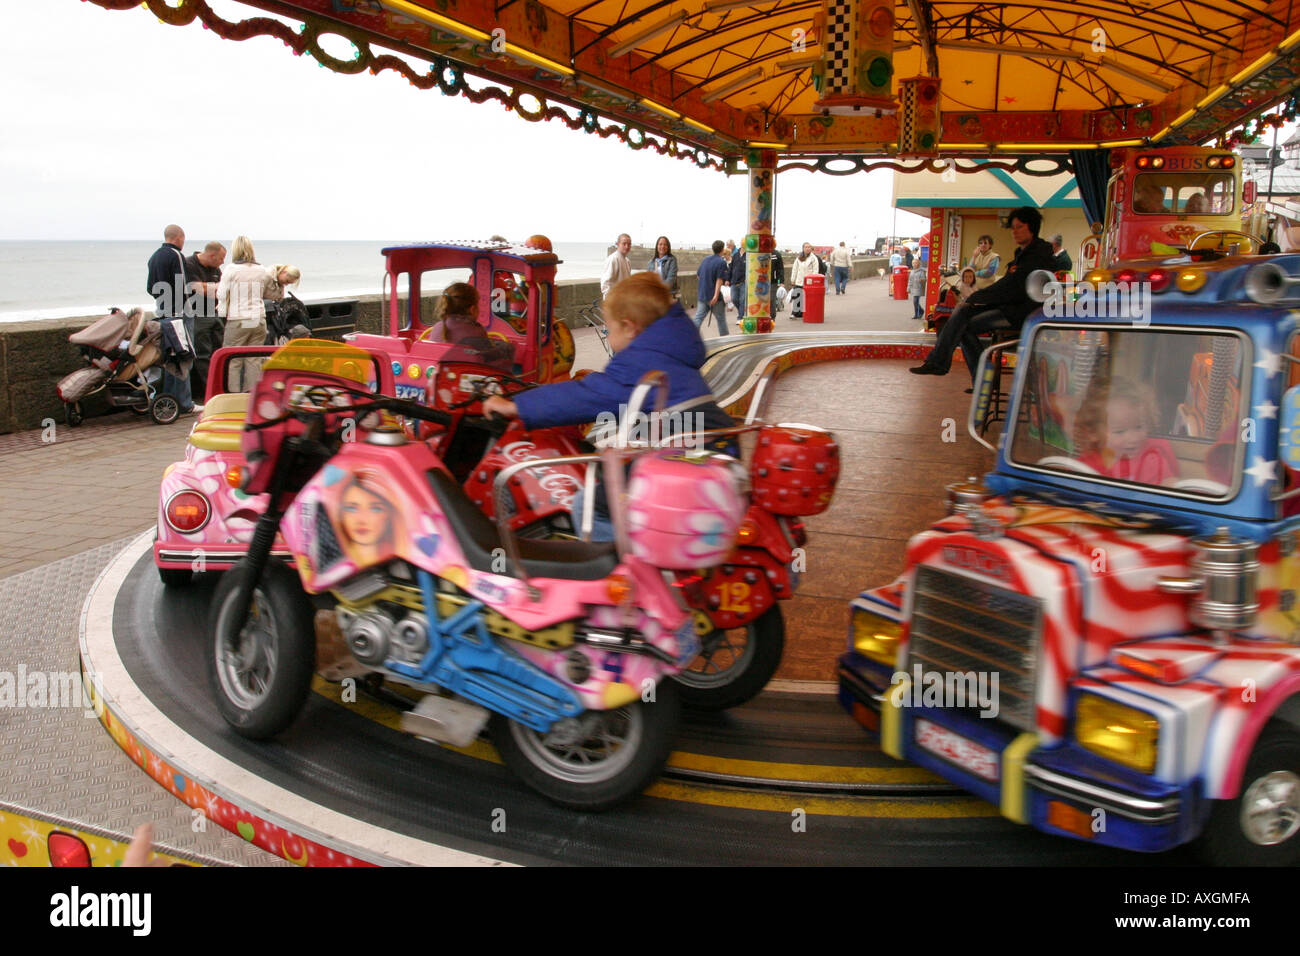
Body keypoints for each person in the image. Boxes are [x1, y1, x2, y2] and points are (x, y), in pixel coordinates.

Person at [482, 272, 733, 540]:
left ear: (629, 327)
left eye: (609, 329)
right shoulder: (672, 352)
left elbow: (585, 397)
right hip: (716, 451)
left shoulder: (639, 363)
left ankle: (627, 575)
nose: (608, 334)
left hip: (685, 462)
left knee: (587, 506)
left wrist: (516, 406)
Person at [909, 205, 1056, 384]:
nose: (1014, 232)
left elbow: (1012, 287)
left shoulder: (1037, 255)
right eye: (1013, 228)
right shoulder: (1022, 254)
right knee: (963, 313)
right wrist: (976, 299)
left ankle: (973, 375)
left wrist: (978, 298)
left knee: (963, 321)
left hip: (1023, 313)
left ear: (1032, 227)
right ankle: (975, 376)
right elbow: (1005, 285)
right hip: (1009, 305)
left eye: (1019, 227)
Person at [1073, 377, 1178, 485]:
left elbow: (1170, 485)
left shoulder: (1151, 458)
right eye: (1120, 431)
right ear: (1093, 433)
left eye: (1139, 427)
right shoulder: (1085, 465)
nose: (1134, 438)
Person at [146, 224, 197, 414]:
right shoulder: (175, 255)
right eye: (183, 239)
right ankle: (185, 402)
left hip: (163, 312)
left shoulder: (154, 257)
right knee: (184, 356)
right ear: (179, 237)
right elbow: (182, 284)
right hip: (179, 313)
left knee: (169, 357)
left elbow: (150, 287)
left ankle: (171, 398)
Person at [217, 236, 271, 392]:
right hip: (258, 318)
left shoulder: (231, 269)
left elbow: (221, 294)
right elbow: (265, 291)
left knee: (233, 359)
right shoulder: (261, 270)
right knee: (253, 359)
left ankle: (232, 395)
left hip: (238, 319)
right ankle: (251, 394)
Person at [421, 281, 514, 369]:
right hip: (467, 379)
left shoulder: (437, 327)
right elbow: (488, 356)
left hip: (441, 378)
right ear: (472, 309)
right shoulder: (477, 331)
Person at [184, 241, 226, 399]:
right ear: (212, 255)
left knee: (219, 351)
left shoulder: (216, 269)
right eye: (221, 258)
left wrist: (211, 289)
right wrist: (214, 288)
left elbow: (222, 291)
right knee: (203, 354)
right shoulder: (189, 264)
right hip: (197, 314)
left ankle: (220, 386)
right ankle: (210, 390)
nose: (222, 262)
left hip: (214, 312)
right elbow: (197, 289)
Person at [337, 470, 401, 566]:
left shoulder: (400, 555)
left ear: (389, 515)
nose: (361, 520)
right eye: (352, 509)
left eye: (375, 509)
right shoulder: (334, 566)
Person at [692, 240, 730, 337]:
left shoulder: (706, 260)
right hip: (713, 297)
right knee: (721, 320)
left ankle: (690, 337)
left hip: (702, 295)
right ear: (722, 249)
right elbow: (719, 280)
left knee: (698, 318)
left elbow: (698, 276)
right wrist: (716, 295)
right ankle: (725, 341)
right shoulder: (721, 262)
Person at [789, 243, 821, 320]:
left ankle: (805, 313)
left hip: (809, 281)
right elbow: (795, 269)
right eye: (806, 247)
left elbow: (815, 270)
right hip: (799, 280)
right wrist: (793, 280)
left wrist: (813, 280)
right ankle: (794, 313)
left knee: (807, 298)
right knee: (797, 297)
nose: (807, 248)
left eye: (809, 247)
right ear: (803, 248)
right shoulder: (799, 258)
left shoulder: (814, 258)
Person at [729, 241, 747, 323]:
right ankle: (743, 312)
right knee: (734, 299)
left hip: (743, 282)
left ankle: (740, 317)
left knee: (742, 300)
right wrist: (728, 279)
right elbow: (731, 268)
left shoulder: (749, 255)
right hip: (734, 281)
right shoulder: (735, 255)